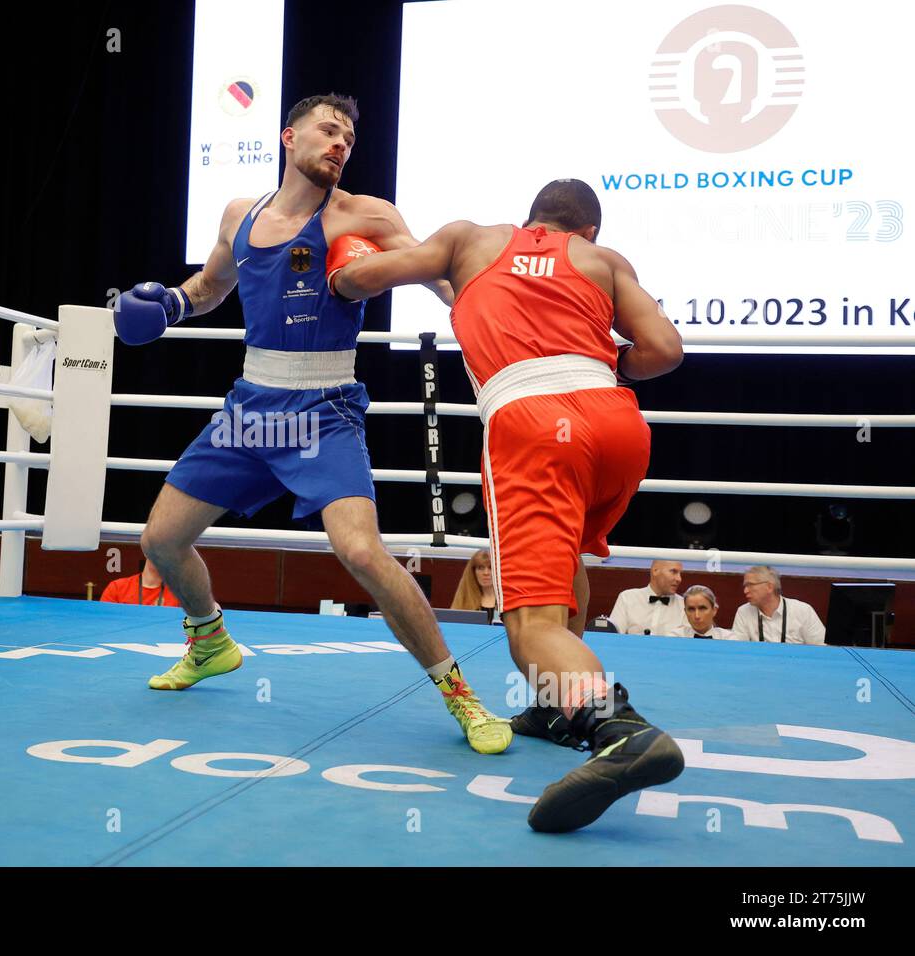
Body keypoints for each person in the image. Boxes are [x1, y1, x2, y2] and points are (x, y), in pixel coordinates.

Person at [112, 93, 511, 755]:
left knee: (360, 551)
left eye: (348, 138)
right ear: (287, 136)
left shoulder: (366, 215)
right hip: (250, 409)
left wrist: (492, 311)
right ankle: (209, 638)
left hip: (323, 410)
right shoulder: (241, 213)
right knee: (160, 541)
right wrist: (172, 305)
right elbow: (212, 287)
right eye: (329, 130)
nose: (340, 144)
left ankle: (460, 695)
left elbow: (437, 276)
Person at [330, 178, 686, 832]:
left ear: (532, 217)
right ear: (588, 232)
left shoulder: (472, 238)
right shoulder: (604, 263)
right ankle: (557, 708)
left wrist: (340, 259)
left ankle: (617, 727)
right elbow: (664, 350)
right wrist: (605, 364)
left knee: (530, 626)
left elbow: (360, 279)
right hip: (617, 423)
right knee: (567, 558)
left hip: (533, 425)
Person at [731, 565, 826, 644]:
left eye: (750, 585)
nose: (745, 591)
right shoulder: (743, 612)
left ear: (769, 587)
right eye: (745, 586)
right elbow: (738, 650)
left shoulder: (803, 611)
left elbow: (823, 648)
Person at [608, 560, 688, 636]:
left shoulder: (684, 605)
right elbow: (613, 637)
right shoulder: (627, 598)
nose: (679, 579)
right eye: (673, 572)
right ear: (655, 571)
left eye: (680, 574)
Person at [100, 559, 172, 606]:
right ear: (146, 551)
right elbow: (102, 623)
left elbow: (184, 628)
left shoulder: (180, 595)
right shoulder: (117, 588)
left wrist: (164, 617)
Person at [450, 548, 498, 615]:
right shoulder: (463, 601)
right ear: (473, 572)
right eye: (481, 568)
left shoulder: (508, 602)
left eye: (491, 568)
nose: (486, 573)